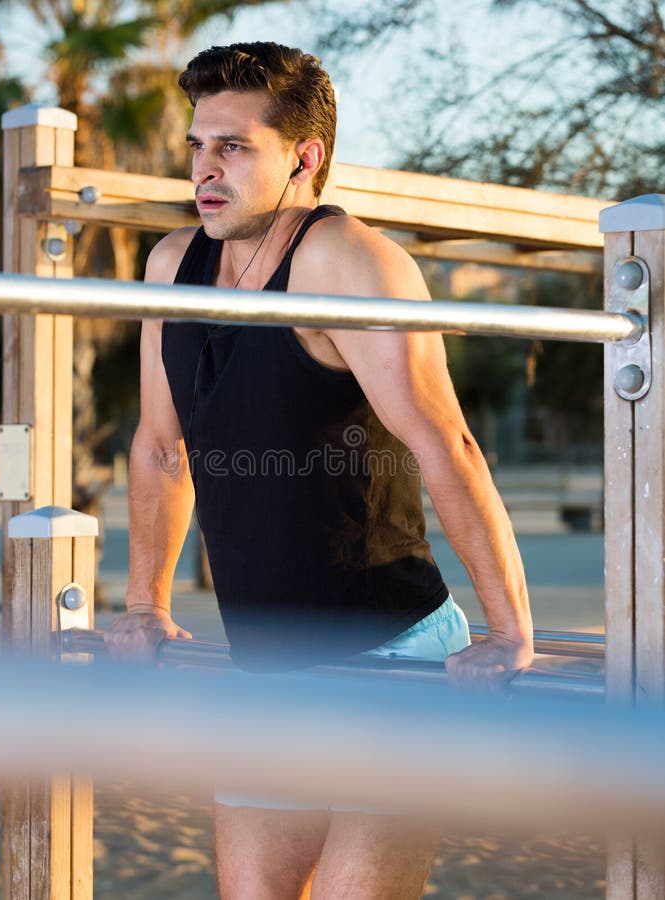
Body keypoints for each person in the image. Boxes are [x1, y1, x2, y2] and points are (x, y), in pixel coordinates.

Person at [105, 41, 533, 899]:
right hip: (262, 666)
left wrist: (509, 628)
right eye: (197, 145)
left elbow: (445, 443)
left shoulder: (350, 263)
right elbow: (160, 447)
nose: (204, 168)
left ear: (305, 158)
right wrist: (145, 603)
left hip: (395, 661)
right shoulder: (171, 267)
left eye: (232, 146)